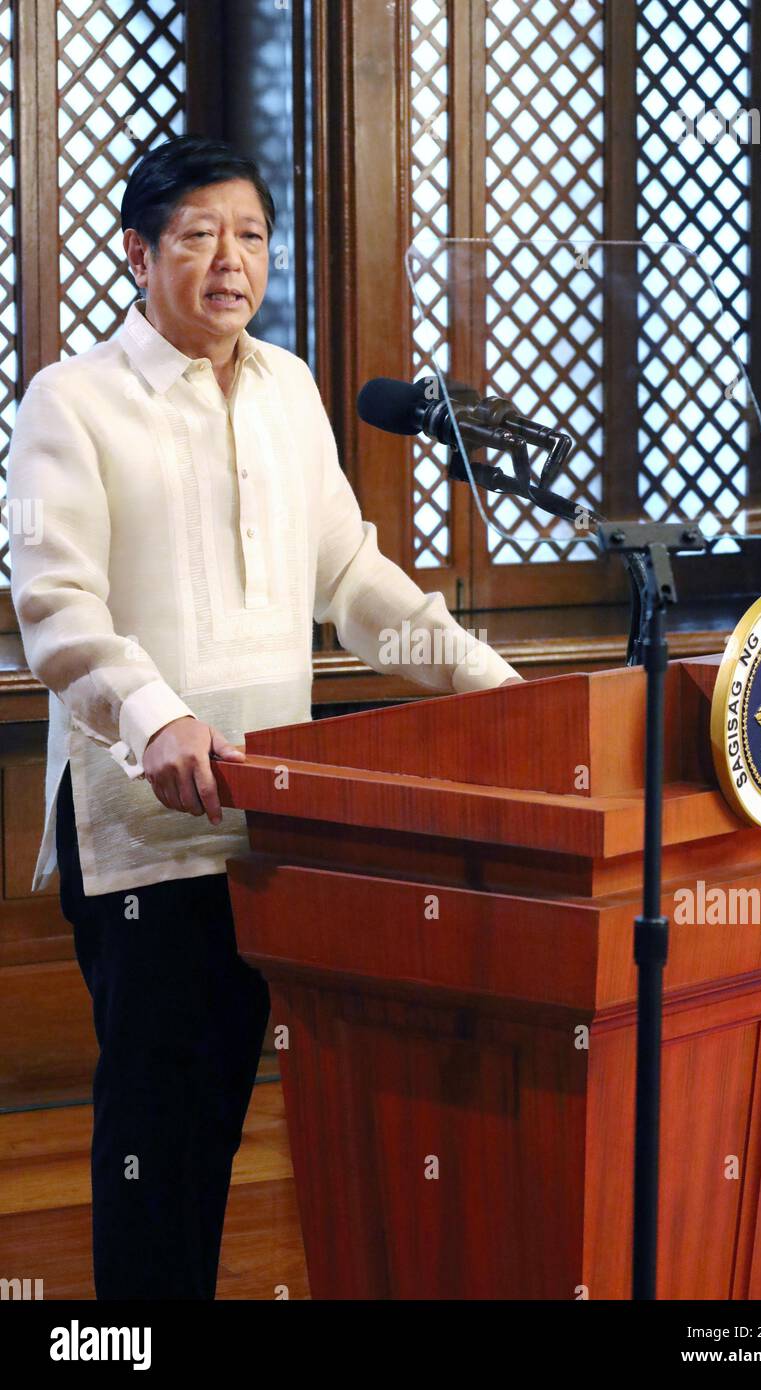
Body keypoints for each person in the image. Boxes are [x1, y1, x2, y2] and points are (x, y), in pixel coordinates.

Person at [7, 134, 522, 1300]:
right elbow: (54, 604)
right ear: (137, 252)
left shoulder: (290, 389)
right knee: (153, 1128)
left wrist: (500, 690)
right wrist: (157, 716)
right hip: (146, 820)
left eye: (248, 235)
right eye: (195, 235)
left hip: (276, 820)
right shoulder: (71, 400)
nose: (228, 260)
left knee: (224, 1114)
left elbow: (351, 578)